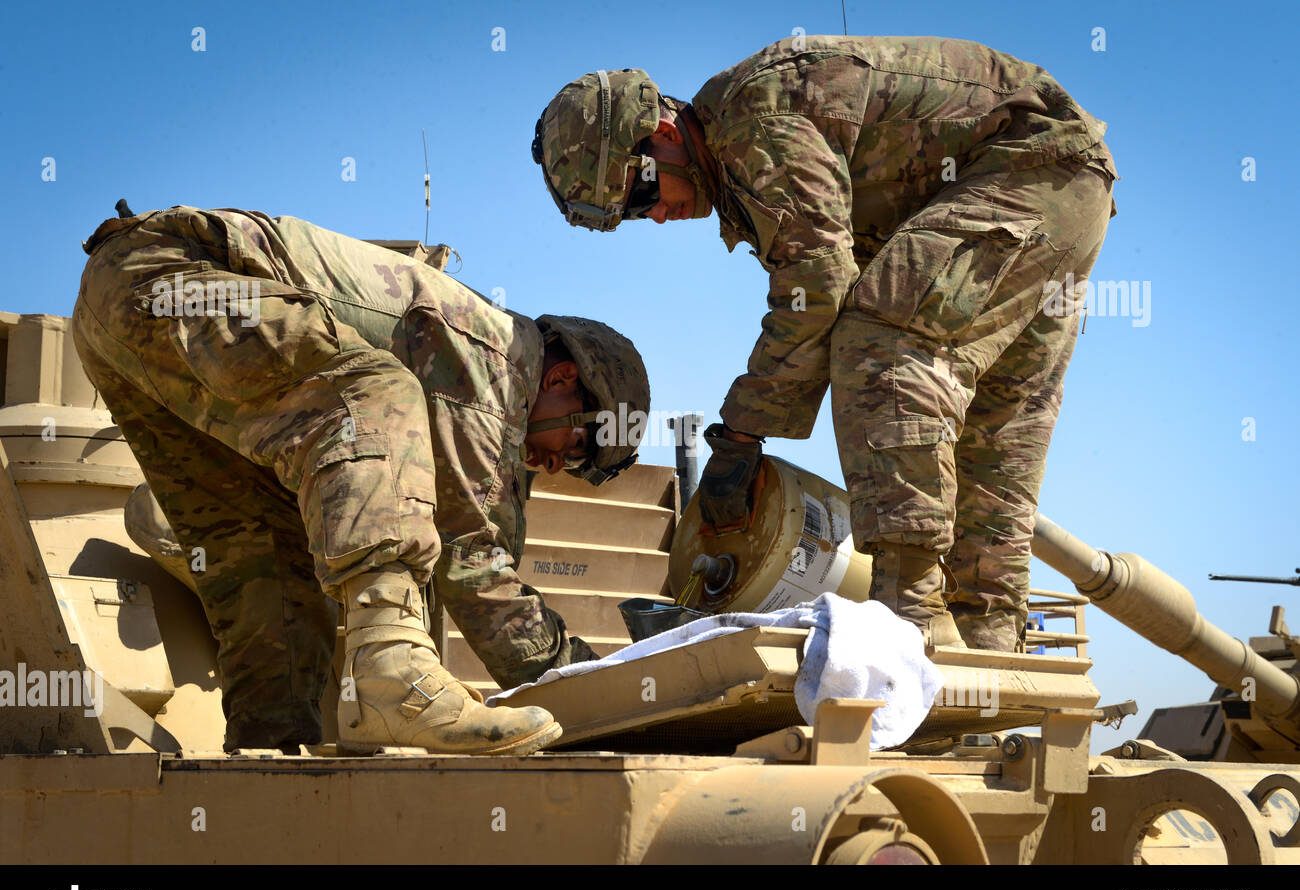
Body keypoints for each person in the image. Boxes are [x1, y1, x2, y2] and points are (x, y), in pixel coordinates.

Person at [533, 35, 1117, 652]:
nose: (651, 216)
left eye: (642, 192)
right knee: (994, 439)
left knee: (880, 341)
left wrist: (739, 435)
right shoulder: (741, 152)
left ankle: (907, 627)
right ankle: (982, 671)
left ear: (665, 131)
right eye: (629, 214)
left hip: (1029, 170)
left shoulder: (752, 119)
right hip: (1063, 195)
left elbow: (817, 289)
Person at [71, 204, 649, 754]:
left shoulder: (485, 369)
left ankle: (267, 739)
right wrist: (590, 689)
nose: (555, 467)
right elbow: (473, 566)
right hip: (167, 271)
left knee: (262, 541)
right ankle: (391, 676)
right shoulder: (490, 361)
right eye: (578, 445)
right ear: (563, 378)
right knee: (373, 391)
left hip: (118, 302)